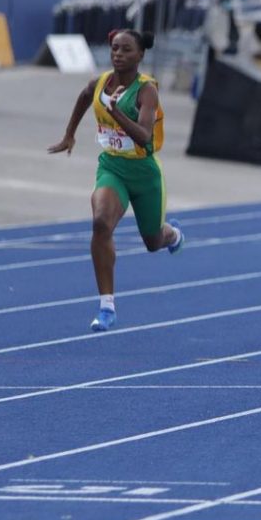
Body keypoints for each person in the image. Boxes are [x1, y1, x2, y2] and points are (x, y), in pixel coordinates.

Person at [48, 29, 185, 332]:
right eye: (114, 49)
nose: (118, 54)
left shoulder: (146, 90)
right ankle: (106, 305)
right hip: (112, 167)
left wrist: (117, 114)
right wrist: (69, 134)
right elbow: (85, 96)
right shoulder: (100, 83)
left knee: (152, 242)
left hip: (144, 172)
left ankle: (172, 235)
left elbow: (144, 135)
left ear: (140, 55)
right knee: (100, 223)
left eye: (125, 50)